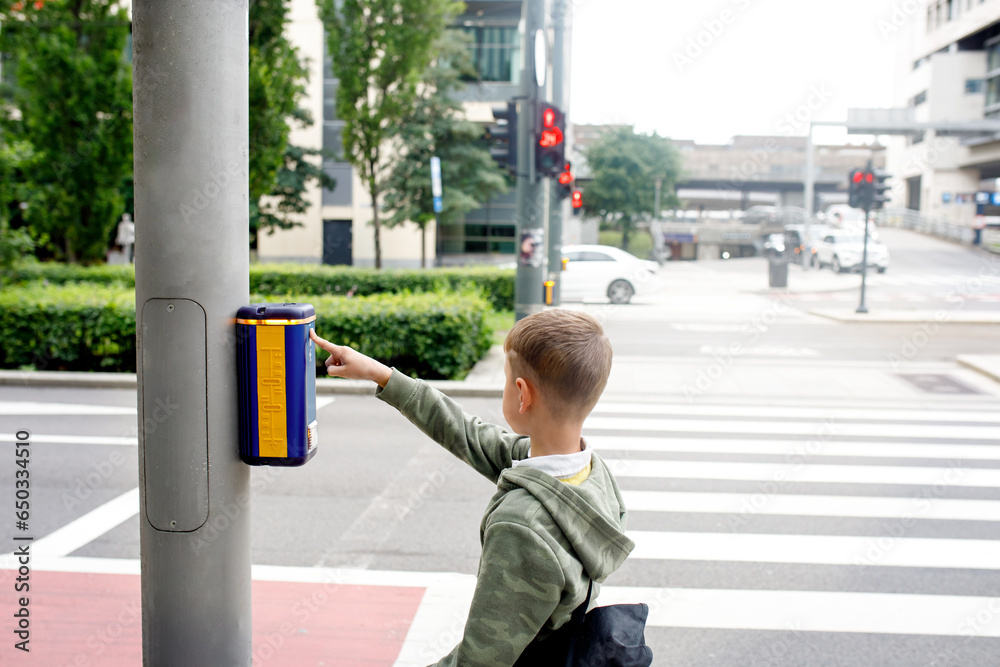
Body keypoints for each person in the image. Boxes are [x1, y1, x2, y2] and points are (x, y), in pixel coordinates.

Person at [309, 310, 634, 666]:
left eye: (507, 380)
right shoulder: (589, 471)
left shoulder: (522, 526)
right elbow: (468, 433)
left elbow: (481, 661)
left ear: (522, 393)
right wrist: (379, 373)